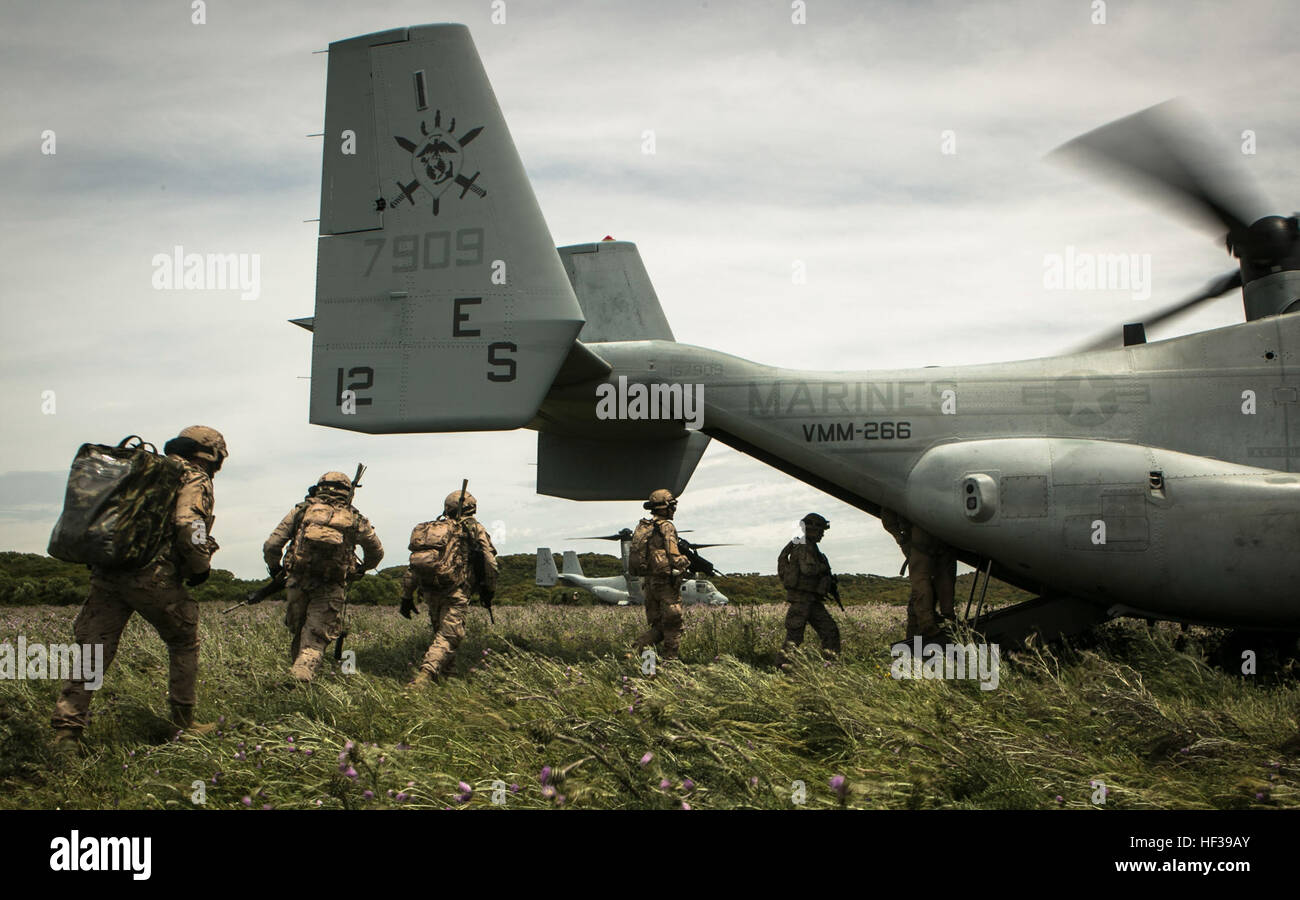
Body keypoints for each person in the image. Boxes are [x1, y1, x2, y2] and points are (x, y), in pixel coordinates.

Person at [51, 425, 228, 748]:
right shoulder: (192, 477)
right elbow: (190, 525)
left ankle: (67, 730)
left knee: (94, 650)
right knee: (184, 640)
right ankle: (182, 723)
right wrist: (200, 567)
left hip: (108, 572)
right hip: (153, 576)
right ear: (212, 455)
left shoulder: (144, 471)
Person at [263, 471, 382, 682]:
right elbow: (376, 552)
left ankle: (297, 677)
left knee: (300, 632)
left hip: (297, 581)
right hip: (331, 585)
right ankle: (300, 678)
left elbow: (272, 545)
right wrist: (360, 570)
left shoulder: (301, 511)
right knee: (315, 638)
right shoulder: (355, 518)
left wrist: (276, 570)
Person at [403, 488, 497, 686]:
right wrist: (489, 589)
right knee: (449, 636)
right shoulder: (472, 528)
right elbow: (489, 561)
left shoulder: (433, 531)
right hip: (456, 590)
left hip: (430, 590)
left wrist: (406, 596)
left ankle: (447, 680)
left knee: (442, 634)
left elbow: (413, 567)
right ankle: (424, 677)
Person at [631, 489, 690, 662]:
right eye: (672, 505)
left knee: (658, 628)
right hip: (665, 584)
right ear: (665, 507)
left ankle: (634, 651)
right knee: (673, 626)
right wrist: (685, 562)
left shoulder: (646, 527)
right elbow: (673, 555)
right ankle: (670, 663)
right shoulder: (666, 527)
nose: (674, 509)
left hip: (649, 585)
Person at [882, 508, 954, 640]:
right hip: (943, 532)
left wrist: (899, 535)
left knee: (920, 581)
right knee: (945, 576)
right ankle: (948, 613)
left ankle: (927, 624)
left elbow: (888, 515)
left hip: (920, 536)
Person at [778, 513, 841, 662]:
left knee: (830, 632)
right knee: (794, 639)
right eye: (821, 531)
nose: (822, 535)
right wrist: (823, 567)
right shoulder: (804, 545)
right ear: (812, 529)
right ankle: (781, 669)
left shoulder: (807, 545)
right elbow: (808, 570)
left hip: (810, 600)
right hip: (802, 600)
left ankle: (830, 666)